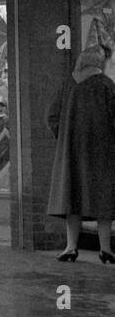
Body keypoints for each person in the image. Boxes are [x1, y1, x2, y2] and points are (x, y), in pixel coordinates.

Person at [47, 46, 115, 263]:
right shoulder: (106, 85)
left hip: (71, 154)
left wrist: (66, 139)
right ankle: (106, 249)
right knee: (103, 200)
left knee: (72, 197)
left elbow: (52, 116)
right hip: (101, 153)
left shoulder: (67, 85)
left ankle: (70, 247)